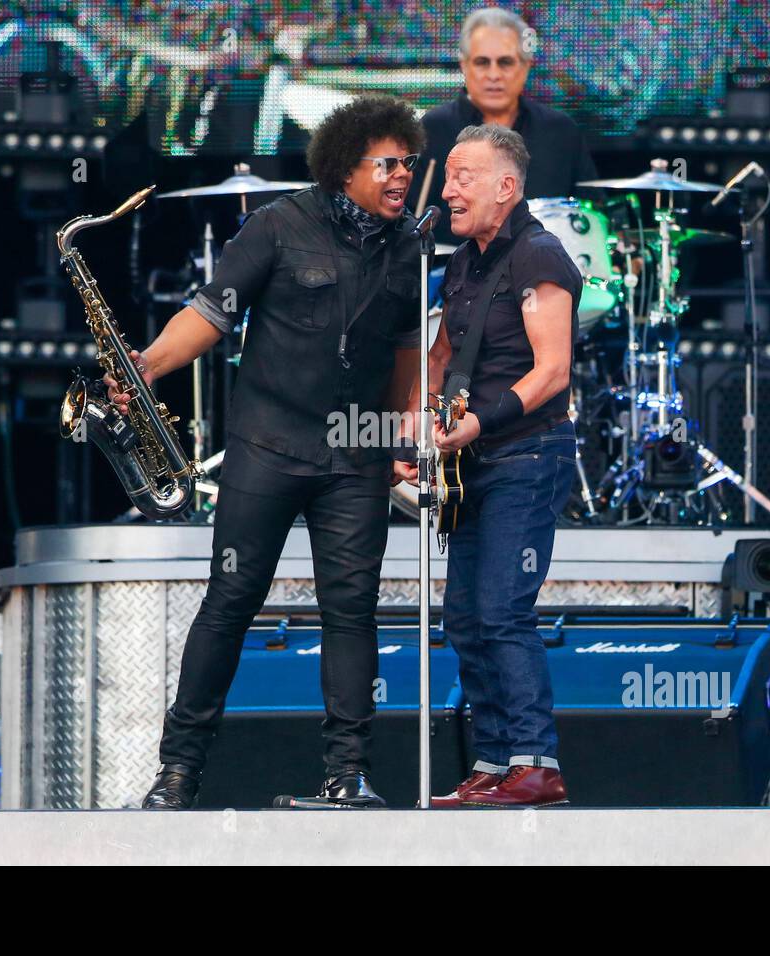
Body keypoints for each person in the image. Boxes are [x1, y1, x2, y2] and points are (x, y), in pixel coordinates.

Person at [112, 95, 427, 809]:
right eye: (388, 163)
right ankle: (179, 770)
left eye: (409, 161)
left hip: (354, 456)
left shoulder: (409, 243)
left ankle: (347, 775)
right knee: (231, 599)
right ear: (347, 167)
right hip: (268, 445)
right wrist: (148, 367)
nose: (403, 174)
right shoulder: (278, 226)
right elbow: (210, 313)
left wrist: (400, 431)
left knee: (353, 608)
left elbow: (405, 350)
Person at [395, 124, 580, 807]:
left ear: (507, 186)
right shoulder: (464, 263)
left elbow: (552, 369)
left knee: (503, 609)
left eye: (462, 176)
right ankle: (495, 762)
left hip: (527, 455)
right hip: (471, 462)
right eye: (446, 177)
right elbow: (440, 354)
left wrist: (478, 421)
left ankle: (538, 763)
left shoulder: (539, 256)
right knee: (465, 618)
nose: (446, 190)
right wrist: (417, 418)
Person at [412, 6, 597, 244]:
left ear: (526, 65)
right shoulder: (431, 129)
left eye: (505, 62)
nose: (494, 74)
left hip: (545, 275)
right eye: (482, 62)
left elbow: (594, 214)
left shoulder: (561, 131)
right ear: (464, 65)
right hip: (450, 276)